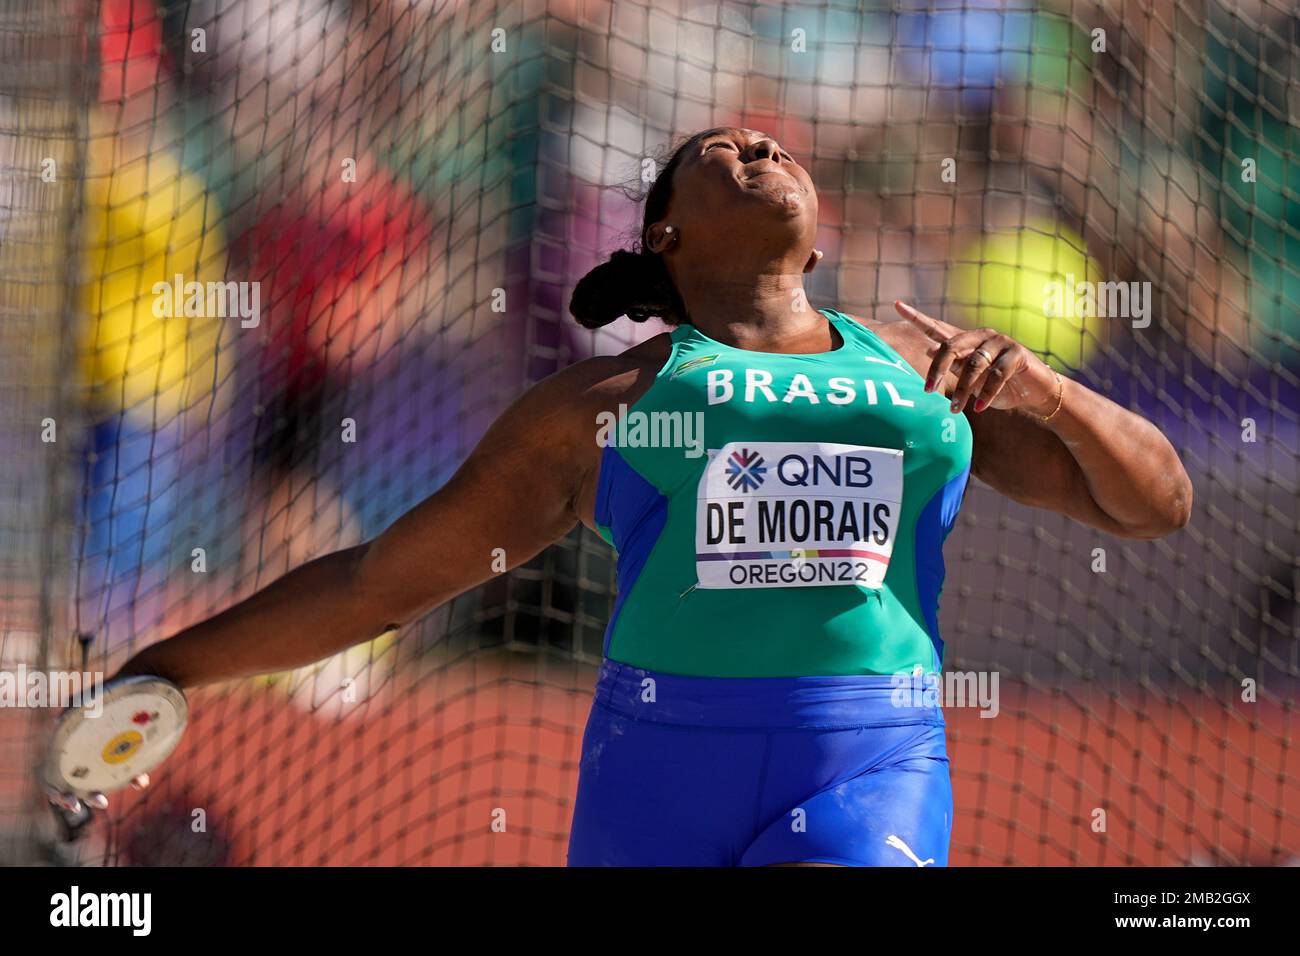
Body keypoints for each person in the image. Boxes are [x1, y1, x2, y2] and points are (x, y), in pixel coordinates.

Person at [72, 127, 1192, 866]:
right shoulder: (601, 402)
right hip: (658, 771)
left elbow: (1154, 504)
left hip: (868, 759)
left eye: (773, 142)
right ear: (666, 232)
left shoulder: (921, 371)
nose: (761, 142)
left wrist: (1051, 393)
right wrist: (169, 666)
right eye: (721, 150)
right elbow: (380, 585)